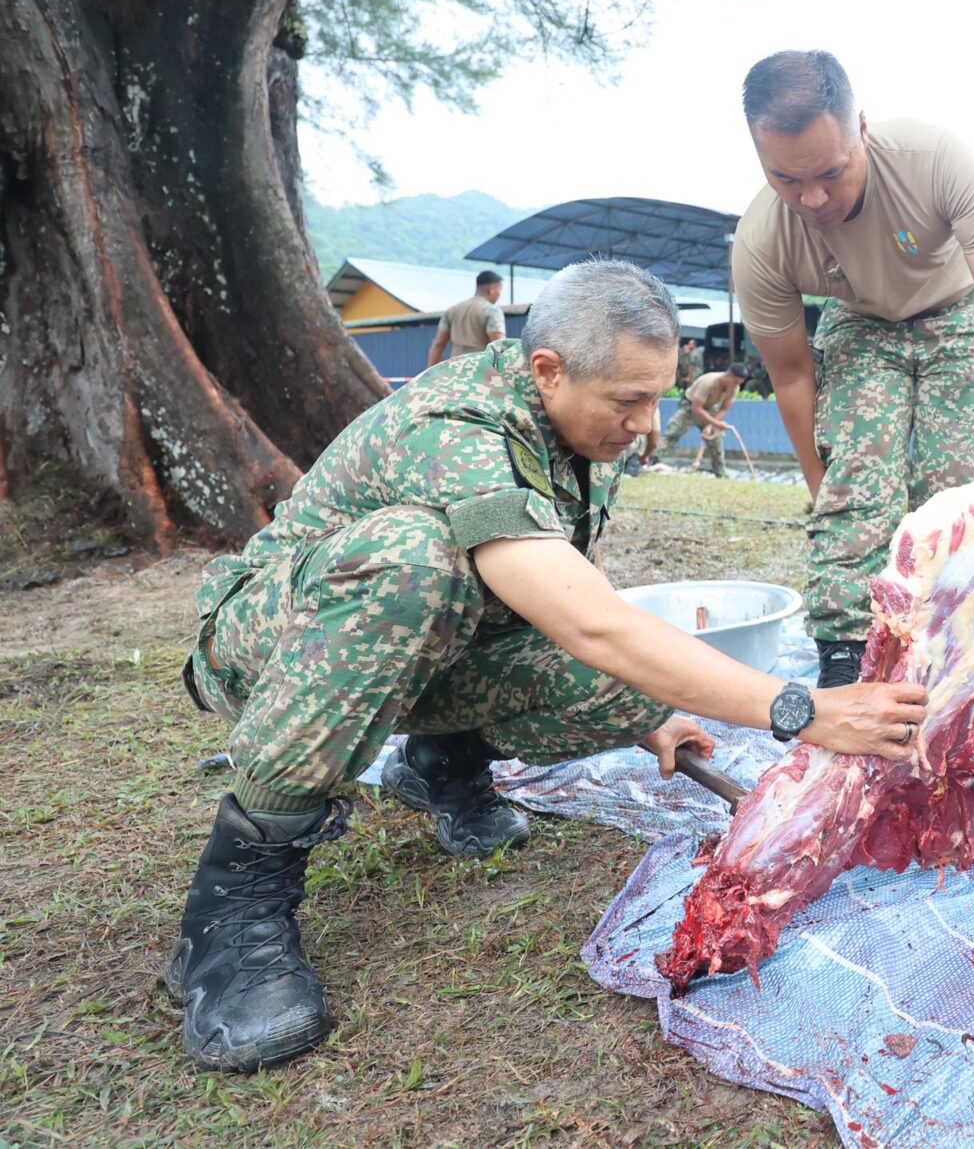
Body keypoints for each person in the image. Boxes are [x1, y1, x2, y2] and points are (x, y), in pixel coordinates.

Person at [169, 261, 929, 1074]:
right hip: (274, 643)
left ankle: (442, 763)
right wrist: (802, 708)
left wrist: (650, 710)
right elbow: (587, 621)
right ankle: (231, 908)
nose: (646, 423)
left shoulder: (579, 428)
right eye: (628, 400)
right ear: (547, 370)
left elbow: (572, 591)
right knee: (417, 562)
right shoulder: (461, 424)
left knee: (635, 684)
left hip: (423, 646)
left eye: (658, 398)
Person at [731, 51, 974, 688]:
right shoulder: (761, 241)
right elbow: (792, 377)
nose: (813, 199)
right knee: (859, 481)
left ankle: (955, 643)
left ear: (861, 129)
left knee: (959, 486)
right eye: (787, 180)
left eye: (831, 173)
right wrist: (829, 493)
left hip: (959, 308)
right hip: (859, 322)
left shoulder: (937, 161)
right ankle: (845, 655)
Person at [638, 339, 704, 469]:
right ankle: (647, 458)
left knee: (655, 436)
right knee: (662, 434)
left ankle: (647, 458)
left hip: (664, 400)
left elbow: (687, 368)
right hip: (681, 400)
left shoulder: (691, 354)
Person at [683, 361, 749, 478]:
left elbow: (724, 409)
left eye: (739, 383)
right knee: (673, 432)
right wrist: (716, 423)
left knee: (716, 441)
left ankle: (720, 474)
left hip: (711, 408)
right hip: (689, 404)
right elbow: (696, 408)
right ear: (728, 375)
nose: (736, 385)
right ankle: (655, 461)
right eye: (734, 382)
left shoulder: (735, 388)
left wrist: (711, 426)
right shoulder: (709, 382)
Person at [427, 270, 506, 364]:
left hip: (455, 367)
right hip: (480, 368)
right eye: (499, 291)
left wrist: (430, 371)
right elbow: (499, 345)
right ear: (492, 289)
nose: (500, 295)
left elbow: (438, 345)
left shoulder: (452, 310)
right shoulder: (492, 310)